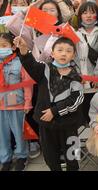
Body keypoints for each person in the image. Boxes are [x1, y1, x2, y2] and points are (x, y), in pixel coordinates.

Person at [14, 36, 84, 171]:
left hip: (68, 124)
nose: (64, 53)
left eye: (69, 51)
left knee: (73, 156)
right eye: (60, 50)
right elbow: (30, 64)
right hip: (45, 124)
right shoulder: (44, 69)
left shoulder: (76, 76)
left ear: (73, 55)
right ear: (52, 53)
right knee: (50, 157)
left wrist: (54, 111)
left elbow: (76, 100)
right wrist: (23, 48)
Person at [0, 33, 33, 171]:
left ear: (13, 47)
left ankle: (21, 157)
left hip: (16, 104)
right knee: (2, 135)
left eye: (4, 46)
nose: (1, 49)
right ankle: (5, 159)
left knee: (19, 133)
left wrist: (27, 103)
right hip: (0, 106)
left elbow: (27, 84)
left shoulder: (20, 62)